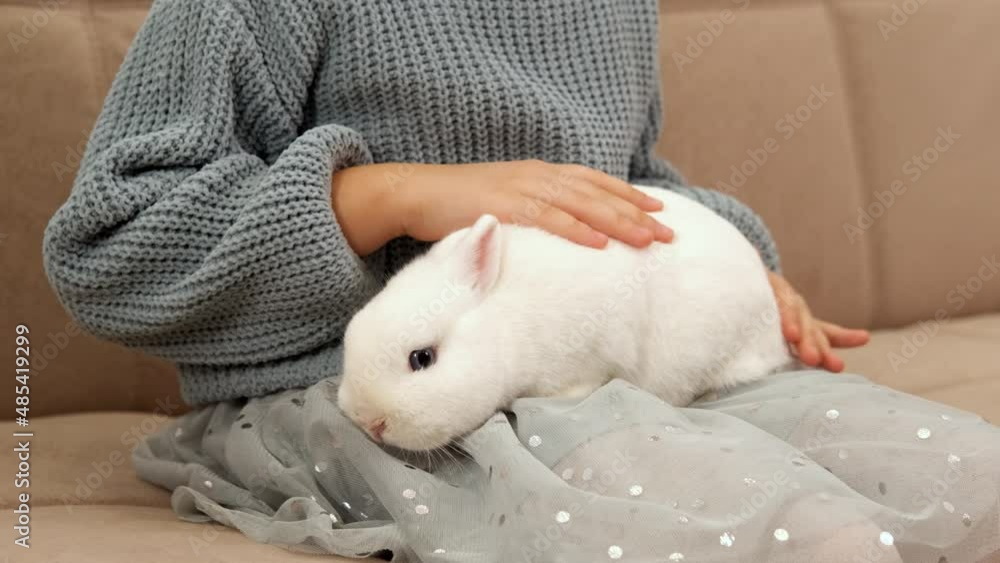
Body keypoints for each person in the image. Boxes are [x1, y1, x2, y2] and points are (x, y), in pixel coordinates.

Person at [43, 1, 999, 561]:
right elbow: (113, 247)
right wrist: (394, 196)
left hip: (608, 360)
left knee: (969, 476)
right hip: (370, 389)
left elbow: (622, 184)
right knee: (801, 533)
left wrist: (745, 269)